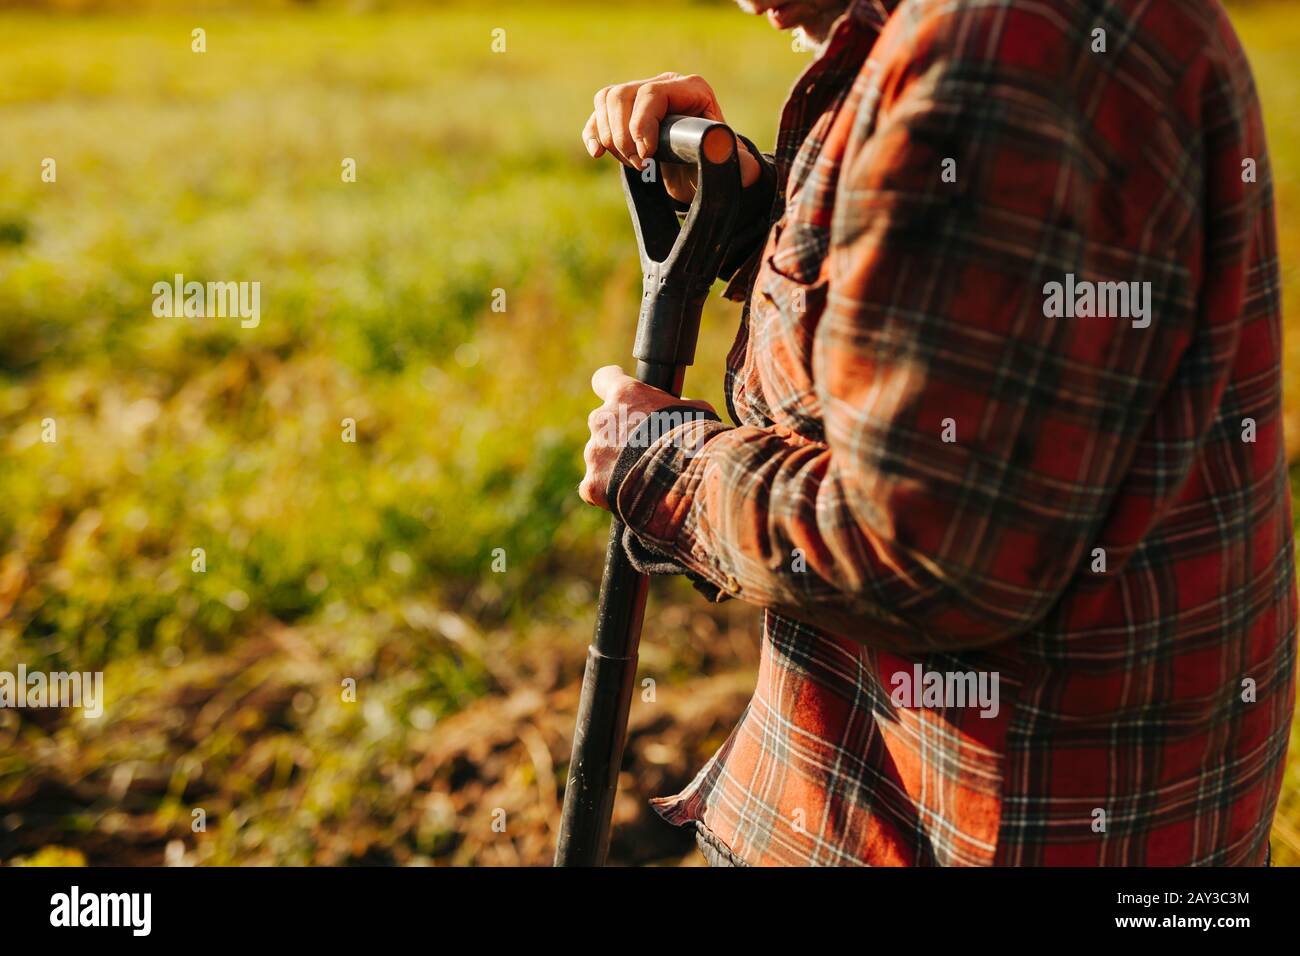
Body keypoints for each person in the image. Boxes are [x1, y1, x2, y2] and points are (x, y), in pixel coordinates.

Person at [578, 0, 1296, 866]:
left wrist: (666, 465)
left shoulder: (1002, 54)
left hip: (994, 818)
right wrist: (749, 208)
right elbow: (959, 307)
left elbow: (918, 546)